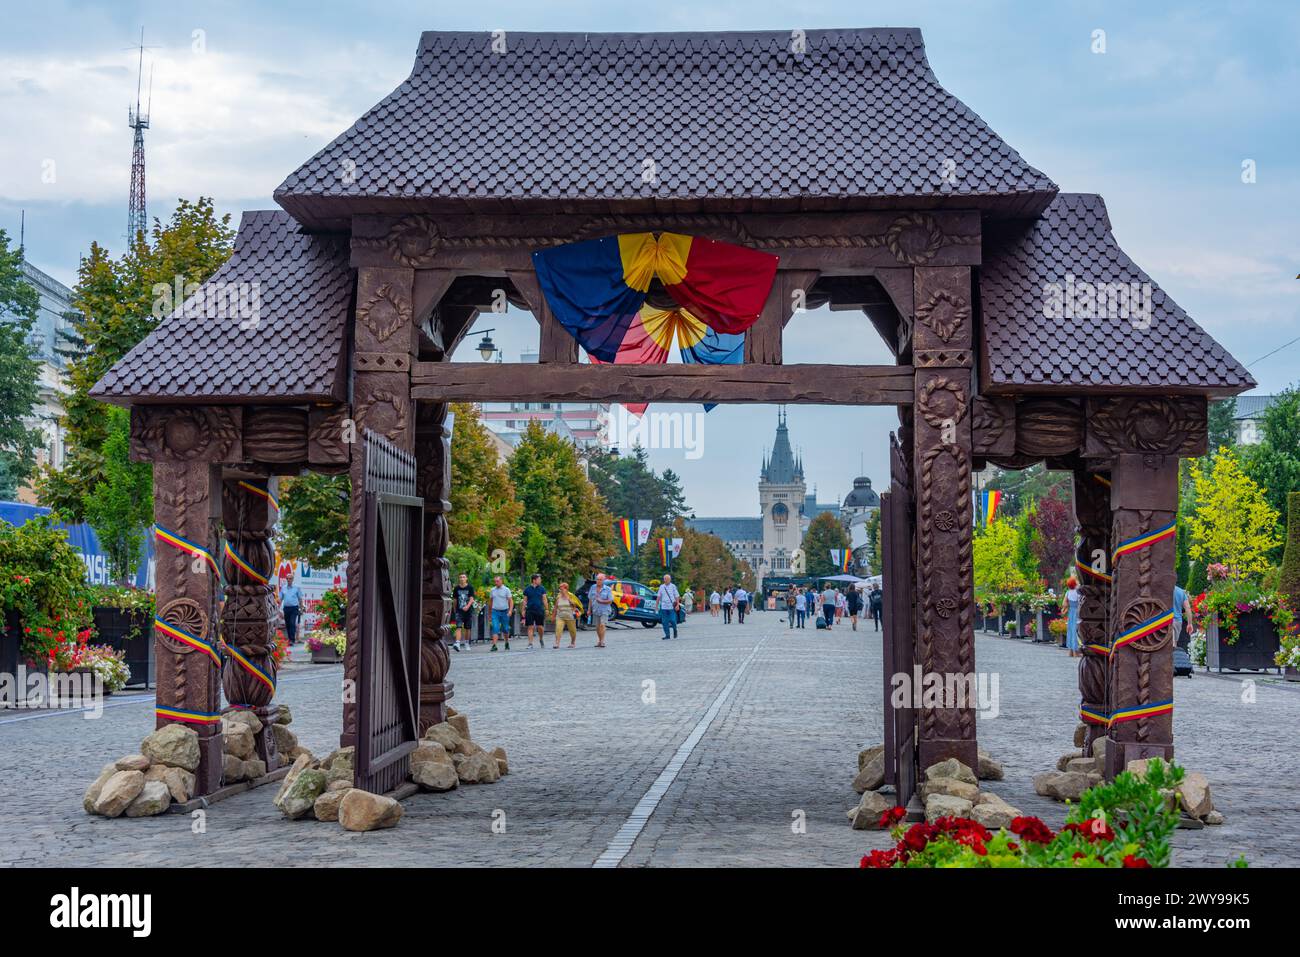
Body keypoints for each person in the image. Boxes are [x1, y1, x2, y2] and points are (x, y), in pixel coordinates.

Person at [552, 581, 583, 649]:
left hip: (570, 616)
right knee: (558, 629)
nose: (560, 590)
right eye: (560, 589)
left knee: (572, 631)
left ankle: (573, 642)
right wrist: (553, 616)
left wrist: (570, 600)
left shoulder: (571, 596)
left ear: (566, 589)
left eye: (561, 589)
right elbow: (555, 607)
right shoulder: (558, 597)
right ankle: (557, 643)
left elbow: (576, 605)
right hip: (560, 616)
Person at [522, 573, 549, 650]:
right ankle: (530, 643)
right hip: (530, 610)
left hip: (539, 610)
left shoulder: (542, 589)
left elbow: (544, 599)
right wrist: (523, 610)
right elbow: (524, 600)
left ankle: (541, 638)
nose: (540, 581)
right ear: (534, 580)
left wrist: (547, 609)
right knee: (530, 626)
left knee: (540, 626)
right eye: (539, 579)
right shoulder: (527, 589)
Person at [488, 575, 513, 652]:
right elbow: (491, 601)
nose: (496, 583)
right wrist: (489, 613)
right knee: (495, 628)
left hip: (504, 611)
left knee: (505, 628)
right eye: (495, 581)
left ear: (501, 581)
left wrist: (510, 610)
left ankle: (506, 642)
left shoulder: (506, 590)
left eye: (497, 581)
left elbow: (510, 601)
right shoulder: (492, 590)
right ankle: (494, 645)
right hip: (495, 611)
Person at [588, 573, 614, 648]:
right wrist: (589, 610)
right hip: (595, 610)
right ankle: (600, 640)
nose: (598, 581)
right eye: (597, 579)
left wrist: (601, 601)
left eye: (600, 580)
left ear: (603, 580)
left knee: (602, 625)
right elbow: (590, 599)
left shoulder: (607, 589)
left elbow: (610, 601)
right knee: (597, 627)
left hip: (604, 610)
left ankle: (602, 641)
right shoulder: (592, 587)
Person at [452, 572, 475, 651]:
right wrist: (454, 609)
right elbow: (455, 599)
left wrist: (467, 606)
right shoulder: (456, 588)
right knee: (458, 626)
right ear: (459, 579)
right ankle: (457, 643)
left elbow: (472, 599)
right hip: (459, 611)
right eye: (460, 577)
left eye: (463, 577)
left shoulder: (470, 587)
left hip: (468, 611)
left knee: (467, 628)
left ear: (466, 579)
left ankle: (466, 643)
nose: (462, 578)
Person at [278, 573, 302, 645]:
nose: (288, 580)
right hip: (286, 608)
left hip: (294, 608)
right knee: (288, 624)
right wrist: (278, 608)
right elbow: (280, 598)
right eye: (287, 579)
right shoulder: (283, 588)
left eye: (290, 578)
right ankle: (289, 639)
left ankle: (292, 640)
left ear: (293, 579)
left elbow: (300, 598)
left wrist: (301, 607)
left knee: (292, 623)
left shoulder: (296, 588)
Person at [657, 574, 681, 640]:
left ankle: (675, 630)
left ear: (670, 580)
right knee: (664, 622)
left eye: (667, 579)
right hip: (664, 607)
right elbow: (658, 596)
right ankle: (667, 635)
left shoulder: (673, 586)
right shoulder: (661, 587)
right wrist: (656, 606)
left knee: (673, 620)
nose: (666, 580)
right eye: (665, 579)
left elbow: (677, 596)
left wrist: (677, 605)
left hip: (671, 607)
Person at [1062, 576, 1081, 657]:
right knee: (1076, 631)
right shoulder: (1078, 592)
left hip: (1071, 612)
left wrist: (1066, 608)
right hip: (1077, 612)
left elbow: (1064, 604)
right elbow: (1081, 602)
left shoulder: (1068, 592)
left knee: (1070, 631)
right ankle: (1075, 652)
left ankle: (1070, 651)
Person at [1173, 582, 1193, 650]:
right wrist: (1189, 624)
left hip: (1164, 621)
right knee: (1174, 644)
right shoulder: (1181, 592)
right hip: (1177, 622)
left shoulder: (1162, 591)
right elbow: (1187, 608)